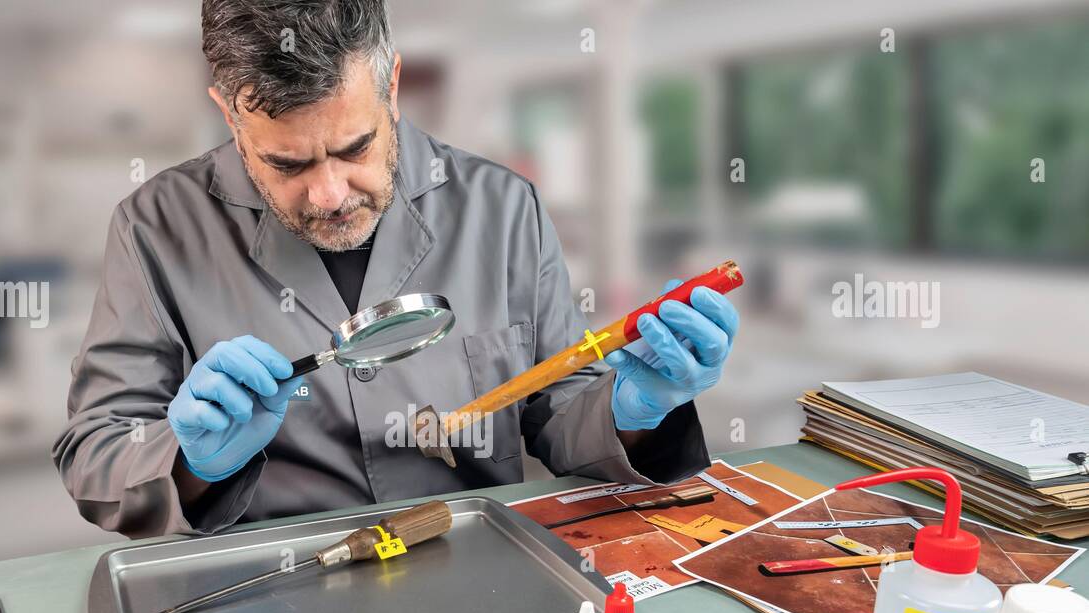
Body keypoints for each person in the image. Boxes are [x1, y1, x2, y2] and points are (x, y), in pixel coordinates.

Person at [53, 0, 738, 537]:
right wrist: (191, 462)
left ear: (394, 85)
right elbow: (94, 453)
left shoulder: (501, 208)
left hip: (474, 560)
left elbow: (556, 410)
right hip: (270, 584)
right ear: (229, 117)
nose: (329, 195)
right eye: (287, 164)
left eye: (354, 147)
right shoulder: (154, 229)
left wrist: (634, 411)